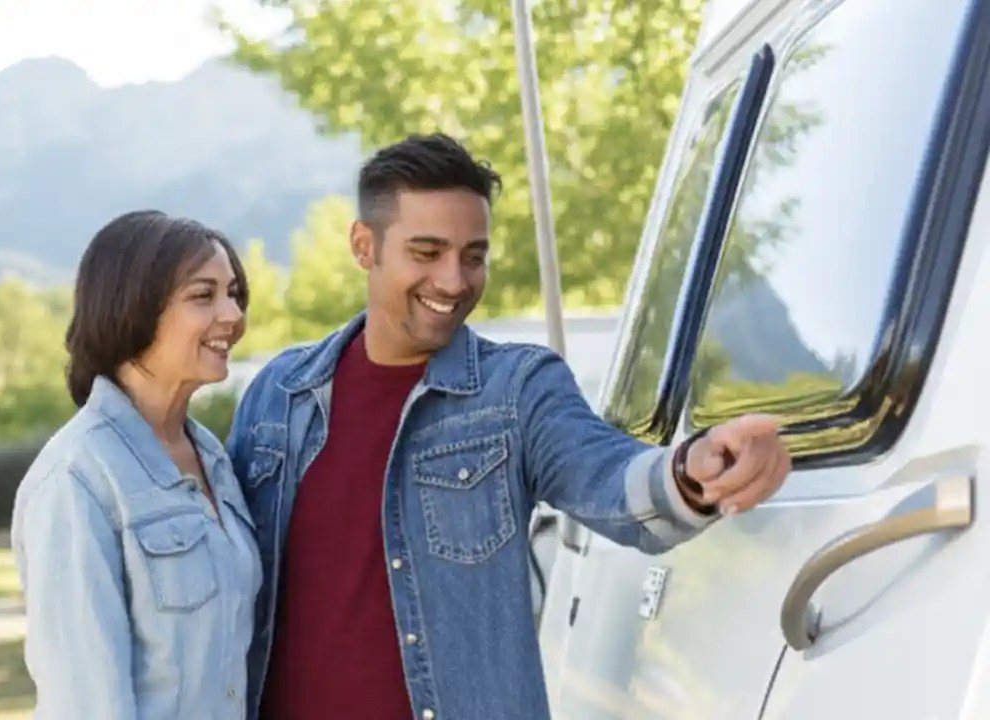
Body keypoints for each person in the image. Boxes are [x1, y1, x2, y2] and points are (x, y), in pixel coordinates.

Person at [226, 133, 793, 720]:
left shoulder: (516, 390)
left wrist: (693, 471)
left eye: (474, 255)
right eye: (427, 252)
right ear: (364, 245)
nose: (453, 281)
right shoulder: (279, 394)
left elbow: (613, 480)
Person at [10, 210, 261, 719]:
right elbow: (84, 702)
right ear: (136, 309)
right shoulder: (76, 478)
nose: (232, 315)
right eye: (203, 295)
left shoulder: (215, 458)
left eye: (233, 293)